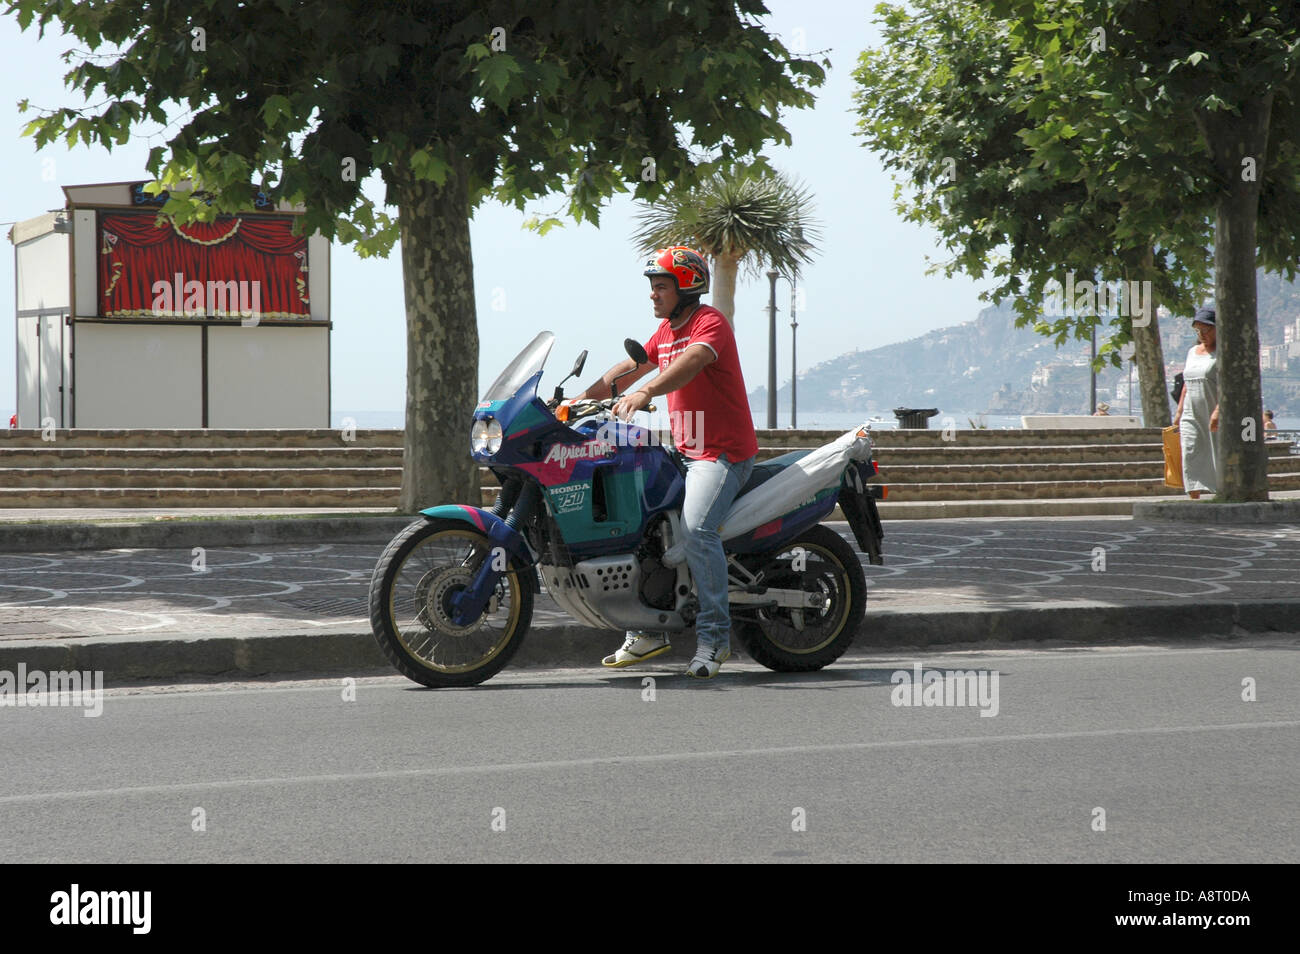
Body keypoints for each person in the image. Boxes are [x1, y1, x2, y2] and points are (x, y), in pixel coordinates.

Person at [572, 246, 758, 678]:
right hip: (684, 449)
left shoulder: (708, 323)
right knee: (635, 519)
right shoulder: (666, 331)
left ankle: (714, 639)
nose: (653, 296)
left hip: (720, 453)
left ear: (686, 287)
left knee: (697, 529)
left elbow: (692, 362)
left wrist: (645, 393)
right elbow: (631, 367)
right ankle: (649, 627)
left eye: (661, 288)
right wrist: (574, 402)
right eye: (652, 288)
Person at [1173, 306, 1220, 499]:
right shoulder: (1192, 351)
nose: (1202, 334)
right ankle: (1193, 495)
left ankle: (1220, 490)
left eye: (1206, 330)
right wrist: (1178, 413)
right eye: (1198, 330)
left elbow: (1229, 384)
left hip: (1212, 410)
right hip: (1190, 412)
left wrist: (1218, 411)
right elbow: (1186, 383)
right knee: (1190, 451)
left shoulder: (1223, 352)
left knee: (1215, 451)